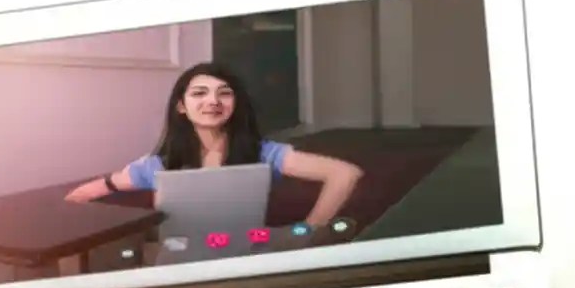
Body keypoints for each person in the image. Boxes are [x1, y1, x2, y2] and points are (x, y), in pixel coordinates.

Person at [65, 62, 362, 228]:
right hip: (180, 260)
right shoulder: (156, 165)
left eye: (224, 93)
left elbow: (345, 173)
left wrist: (310, 229)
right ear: (181, 106)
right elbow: (101, 187)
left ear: (235, 103)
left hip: (249, 254)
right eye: (200, 93)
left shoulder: (264, 153)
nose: (213, 102)